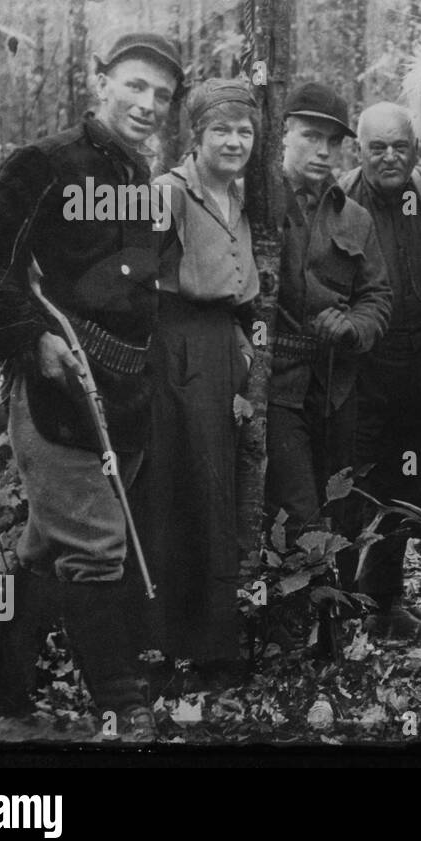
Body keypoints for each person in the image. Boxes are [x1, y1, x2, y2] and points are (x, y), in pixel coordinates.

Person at [0, 32, 185, 742]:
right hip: (58, 392)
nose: (147, 104)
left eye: (161, 96)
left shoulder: (140, 174)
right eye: (135, 86)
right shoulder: (46, 162)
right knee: (96, 550)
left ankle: (0, 705)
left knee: (48, 552)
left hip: (126, 392)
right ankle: (124, 706)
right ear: (100, 80)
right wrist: (29, 337)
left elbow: (132, 289)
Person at [131, 79, 260, 687]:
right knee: (178, 495)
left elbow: (242, 302)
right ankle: (163, 649)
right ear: (196, 135)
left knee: (217, 497)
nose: (234, 142)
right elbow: (129, 279)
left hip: (220, 349)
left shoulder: (236, 199)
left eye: (245, 131)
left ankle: (211, 643)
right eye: (221, 131)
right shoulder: (169, 194)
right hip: (174, 352)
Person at [338, 102, 421, 641]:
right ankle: (341, 609)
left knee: (411, 485)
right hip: (362, 376)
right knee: (358, 487)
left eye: (399, 147)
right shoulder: (336, 201)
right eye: (376, 147)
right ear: (358, 150)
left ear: (416, 149)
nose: (389, 157)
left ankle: (386, 606)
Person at [265, 82, 391, 548]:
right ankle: (291, 617)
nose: (323, 151)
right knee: (298, 515)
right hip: (272, 383)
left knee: (338, 510)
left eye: (333, 141)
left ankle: (330, 616)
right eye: (309, 137)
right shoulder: (254, 199)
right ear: (282, 135)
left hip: (335, 386)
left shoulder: (353, 216)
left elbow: (377, 297)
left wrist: (353, 326)